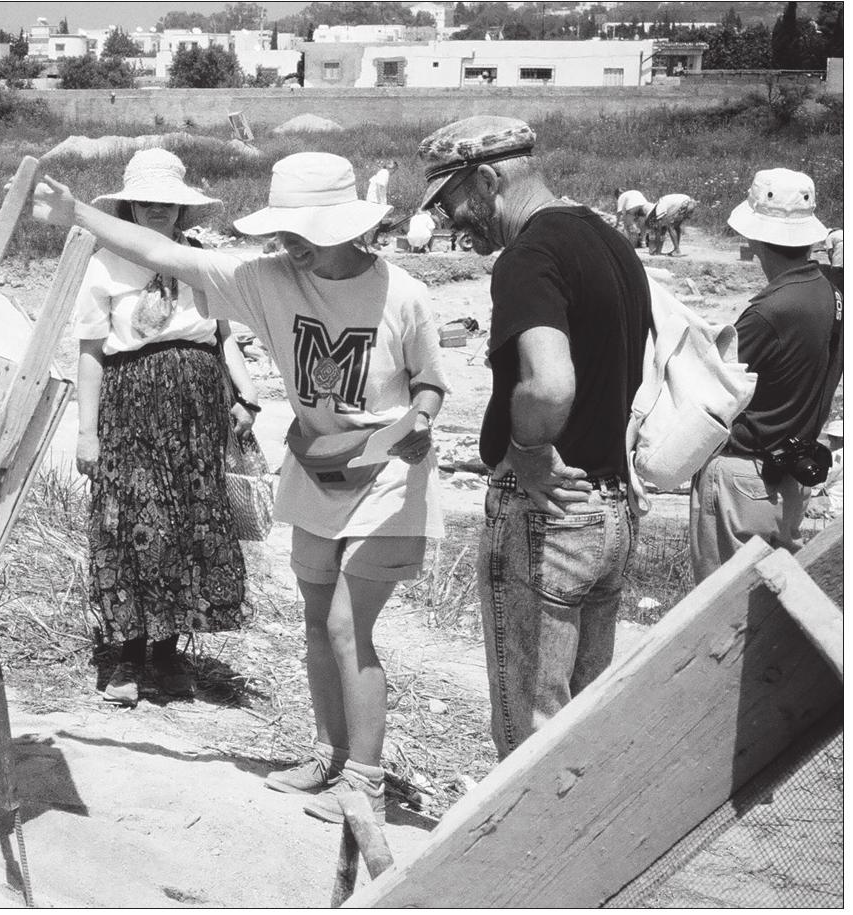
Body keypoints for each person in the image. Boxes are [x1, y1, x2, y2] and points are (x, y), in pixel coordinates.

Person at [36, 151, 449, 825]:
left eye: (301, 231)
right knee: (317, 623)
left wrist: (423, 418)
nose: (287, 242)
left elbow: (429, 380)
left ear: (347, 227)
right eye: (281, 230)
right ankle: (328, 756)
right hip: (317, 465)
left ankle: (365, 783)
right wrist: (73, 212)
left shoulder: (402, 292)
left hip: (388, 471)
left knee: (347, 625)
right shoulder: (268, 279)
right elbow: (160, 252)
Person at [416, 115, 650, 760]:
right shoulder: (610, 240)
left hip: (549, 516)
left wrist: (525, 451)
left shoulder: (529, 255)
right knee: (583, 725)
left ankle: (527, 832)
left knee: (531, 735)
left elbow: (549, 385)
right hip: (608, 509)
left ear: (487, 180)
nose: (450, 220)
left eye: (451, 202)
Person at [72, 148, 256, 704]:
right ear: (128, 206)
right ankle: (129, 658)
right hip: (130, 404)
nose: (158, 210)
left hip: (198, 405)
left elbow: (224, 336)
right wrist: (86, 432)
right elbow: (90, 352)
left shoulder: (201, 259)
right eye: (147, 201)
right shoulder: (105, 262)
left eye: (168, 203)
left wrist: (245, 395)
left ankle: (170, 653)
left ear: (183, 209)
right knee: (131, 523)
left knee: (187, 524)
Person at [689, 168, 842, 581]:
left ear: (755, 237)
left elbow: (711, 389)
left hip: (745, 473)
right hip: (792, 471)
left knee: (722, 604)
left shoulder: (769, 311)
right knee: (771, 604)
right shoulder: (831, 293)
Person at [643, 192, 698, 256]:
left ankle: (677, 250)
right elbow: (662, 228)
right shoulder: (663, 205)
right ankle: (676, 249)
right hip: (689, 202)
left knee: (671, 227)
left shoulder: (659, 208)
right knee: (676, 227)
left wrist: (657, 250)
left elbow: (658, 230)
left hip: (685, 204)